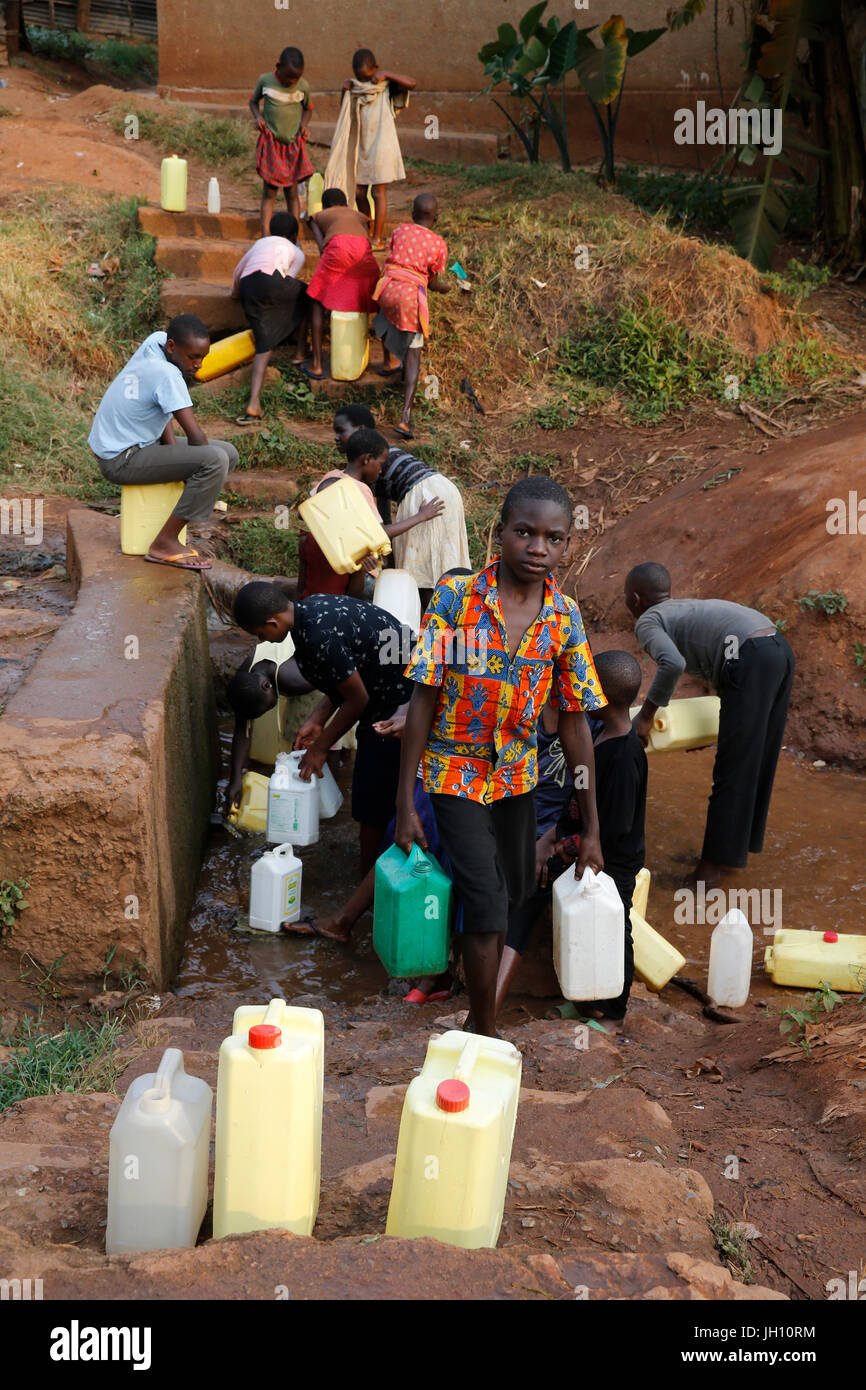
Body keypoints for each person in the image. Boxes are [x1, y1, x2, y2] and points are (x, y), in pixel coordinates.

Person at [394, 476, 606, 1039]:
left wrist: (591, 829)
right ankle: (484, 1034)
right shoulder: (457, 600)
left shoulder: (563, 617)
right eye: (525, 533)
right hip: (453, 771)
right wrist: (404, 802)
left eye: (554, 539)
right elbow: (424, 695)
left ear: (566, 546)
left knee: (513, 893)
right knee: (486, 904)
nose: (538, 548)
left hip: (517, 776)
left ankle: (473, 1009)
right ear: (500, 533)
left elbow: (578, 720)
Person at [496, 652, 647, 1024]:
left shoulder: (624, 754)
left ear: (602, 696)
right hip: (576, 848)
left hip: (612, 861)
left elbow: (616, 828)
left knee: (615, 930)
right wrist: (549, 840)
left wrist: (562, 849)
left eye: (586, 684)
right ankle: (582, 999)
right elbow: (576, 803)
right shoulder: (598, 738)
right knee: (532, 900)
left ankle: (612, 1014)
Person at [626, 561, 795, 888]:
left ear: (635, 598)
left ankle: (707, 873)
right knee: (756, 757)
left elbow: (672, 663)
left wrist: (645, 717)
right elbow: (723, 663)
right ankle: (727, 855)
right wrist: (711, 730)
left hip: (751, 657)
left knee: (732, 769)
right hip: (777, 649)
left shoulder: (649, 620)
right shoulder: (684, 609)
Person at [231, 581, 416, 872]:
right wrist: (317, 719)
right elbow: (341, 676)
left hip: (402, 698)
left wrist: (319, 749)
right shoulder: (309, 612)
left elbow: (357, 699)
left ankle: (369, 876)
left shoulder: (316, 636)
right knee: (376, 788)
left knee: (372, 794)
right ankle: (376, 868)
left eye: (261, 633)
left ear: (272, 621)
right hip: (388, 685)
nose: (263, 641)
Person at [88, 315, 238, 571]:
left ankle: (176, 523)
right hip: (120, 458)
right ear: (172, 347)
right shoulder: (167, 373)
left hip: (134, 443)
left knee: (229, 453)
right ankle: (165, 542)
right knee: (215, 460)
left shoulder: (155, 343)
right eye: (193, 357)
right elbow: (196, 437)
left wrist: (174, 455)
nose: (199, 365)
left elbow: (161, 406)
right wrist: (194, 467)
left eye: (203, 357)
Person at [332, 404, 471, 607]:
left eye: (341, 431)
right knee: (439, 567)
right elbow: (382, 515)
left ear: (361, 432)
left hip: (423, 495)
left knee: (422, 573)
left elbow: (378, 528)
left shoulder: (373, 458)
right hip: (443, 489)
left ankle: (429, 625)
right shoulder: (377, 457)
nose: (336, 437)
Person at [372, 194, 452, 440]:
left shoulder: (400, 231)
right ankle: (405, 418)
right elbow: (433, 280)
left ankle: (388, 363)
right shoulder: (438, 244)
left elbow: (397, 255)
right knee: (414, 354)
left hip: (387, 286)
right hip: (409, 295)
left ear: (412, 214)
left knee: (386, 317)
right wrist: (446, 287)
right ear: (436, 218)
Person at [324, 48, 415, 248]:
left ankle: (378, 238)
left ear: (375, 69)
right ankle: (369, 229)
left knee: (378, 193)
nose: (364, 80)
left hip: (381, 148)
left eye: (367, 75)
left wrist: (388, 74)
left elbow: (412, 83)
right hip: (361, 148)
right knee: (358, 192)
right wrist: (344, 89)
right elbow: (344, 111)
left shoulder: (385, 87)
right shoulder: (355, 88)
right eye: (359, 76)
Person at [231, 212, 308, 424]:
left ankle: (254, 403)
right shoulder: (296, 251)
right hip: (272, 282)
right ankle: (301, 351)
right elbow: (286, 281)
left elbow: (239, 269)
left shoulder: (260, 243)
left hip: (248, 285)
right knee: (309, 295)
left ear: (271, 230)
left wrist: (235, 293)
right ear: (294, 235)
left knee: (263, 345)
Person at [225, 627, 314, 807]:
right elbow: (243, 729)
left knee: (319, 745)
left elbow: (334, 686)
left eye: (270, 706)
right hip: (295, 669)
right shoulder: (247, 675)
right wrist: (235, 779)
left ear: (267, 686)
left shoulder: (290, 678)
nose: (271, 708)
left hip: (316, 680)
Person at [302, 189, 381, 381]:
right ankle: (389, 360)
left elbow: (322, 248)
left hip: (337, 248)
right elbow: (366, 239)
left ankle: (317, 364)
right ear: (346, 204)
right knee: (376, 297)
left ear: (326, 205)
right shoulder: (359, 215)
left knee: (315, 300)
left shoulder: (318, 216)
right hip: (364, 253)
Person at [249, 46, 314, 234]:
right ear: (278, 67)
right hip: (271, 144)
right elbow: (253, 102)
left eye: (296, 78)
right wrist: (257, 117)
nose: (292, 82)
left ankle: (293, 236)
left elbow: (308, 108)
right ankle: (265, 234)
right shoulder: (265, 81)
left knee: (292, 193)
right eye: (288, 78)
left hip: (293, 145)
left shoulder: (303, 86)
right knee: (269, 191)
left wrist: (304, 124)